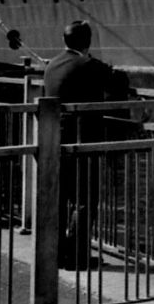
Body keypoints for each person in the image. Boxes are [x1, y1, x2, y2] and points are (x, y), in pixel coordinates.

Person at [44, 20, 112, 270]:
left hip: (54, 141)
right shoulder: (89, 65)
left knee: (60, 199)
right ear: (88, 42)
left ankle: (57, 252)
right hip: (83, 141)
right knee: (84, 198)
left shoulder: (51, 65)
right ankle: (77, 256)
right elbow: (114, 80)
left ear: (65, 41)